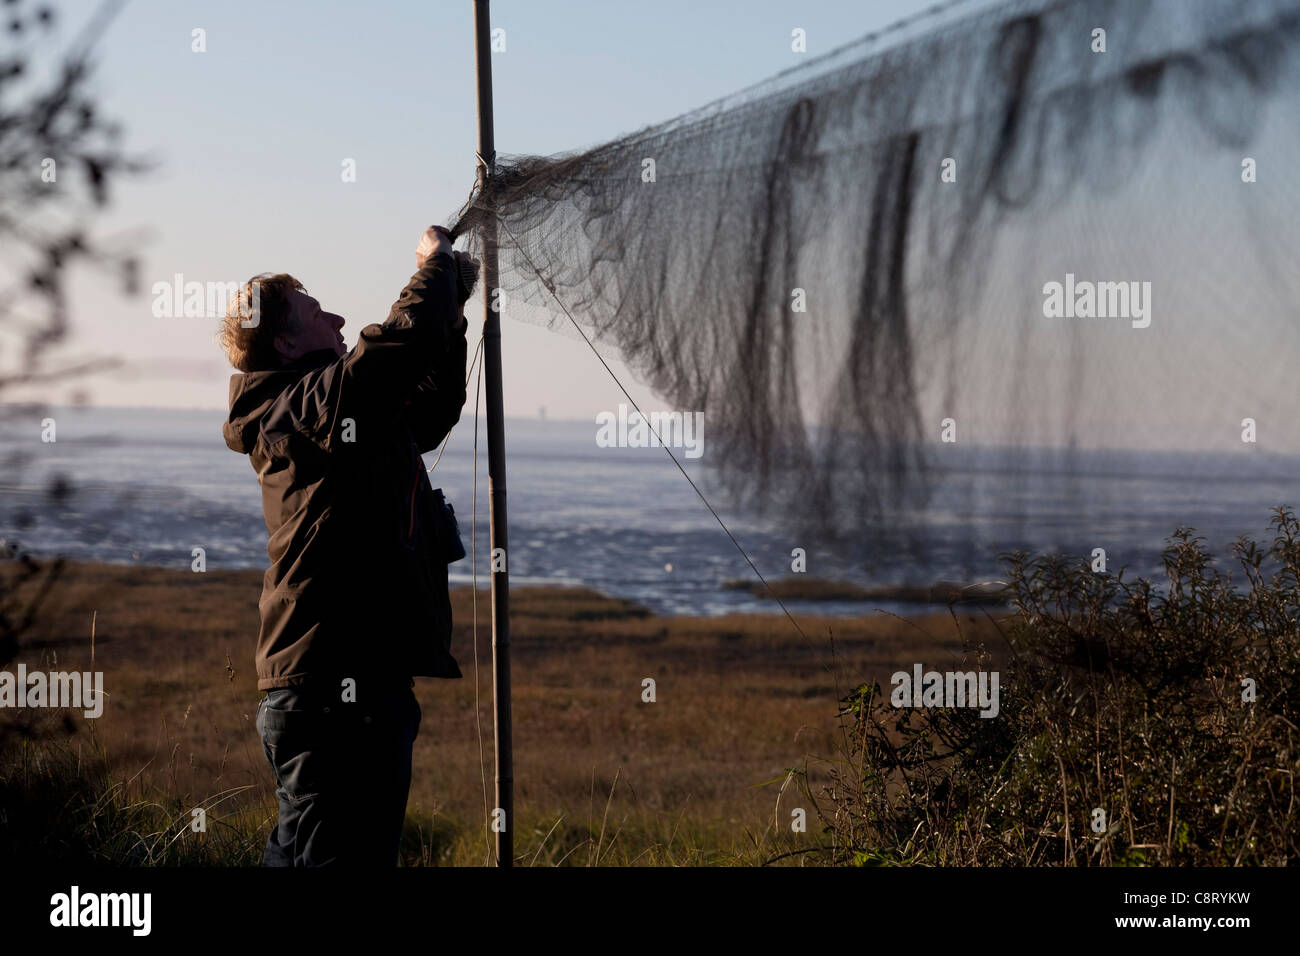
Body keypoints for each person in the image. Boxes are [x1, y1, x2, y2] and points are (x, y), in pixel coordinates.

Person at [218, 226, 476, 866]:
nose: (336, 318)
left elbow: (430, 405)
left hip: (361, 684)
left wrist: (451, 307)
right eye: (314, 314)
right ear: (283, 341)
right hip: (328, 690)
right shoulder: (296, 409)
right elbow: (384, 357)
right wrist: (432, 269)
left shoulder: (337, 412)